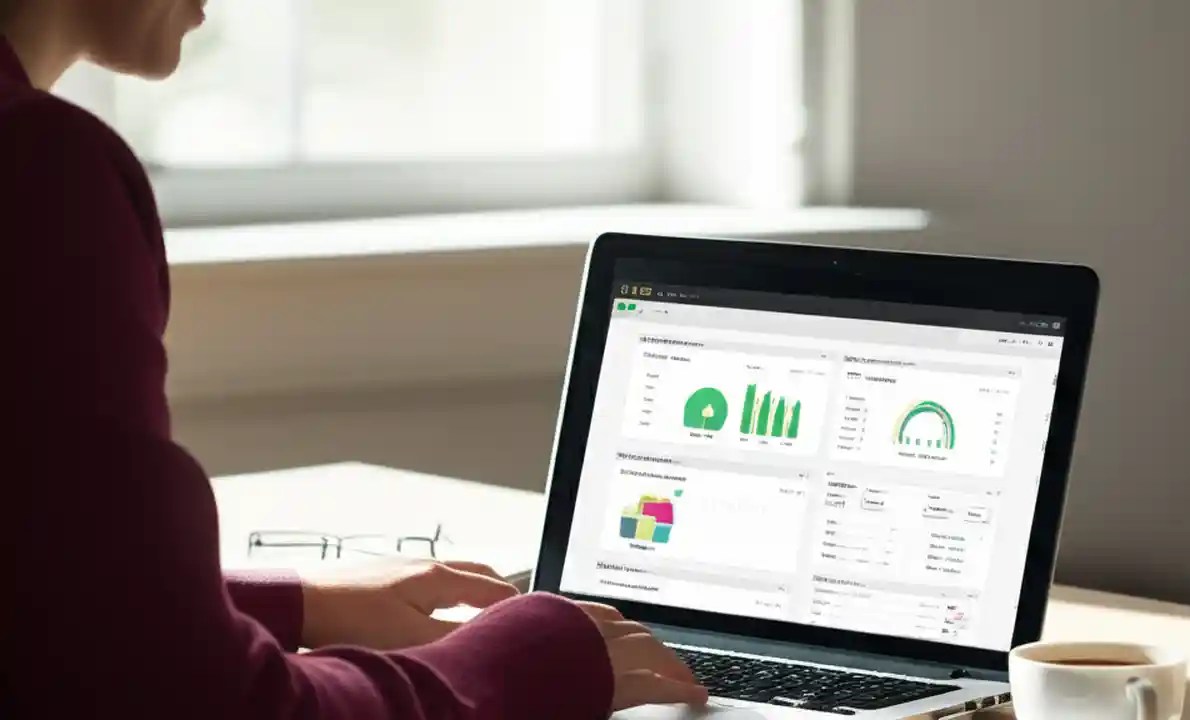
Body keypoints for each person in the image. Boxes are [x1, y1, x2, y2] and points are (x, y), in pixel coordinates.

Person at [2, 0, 708, 718]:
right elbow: (216, 704)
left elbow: (47, 599)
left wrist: (296, 607)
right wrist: (532, 649)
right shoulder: (35, 170)